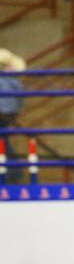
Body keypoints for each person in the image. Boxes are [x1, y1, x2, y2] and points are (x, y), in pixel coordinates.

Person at [0, 48, 23, 184]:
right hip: (8, 114)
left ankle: (13, 174)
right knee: (3, 141)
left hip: (3, 113)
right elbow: (19, 101)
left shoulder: (4, 80)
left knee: (3, 143)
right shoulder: (15, 81)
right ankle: (14, 173)